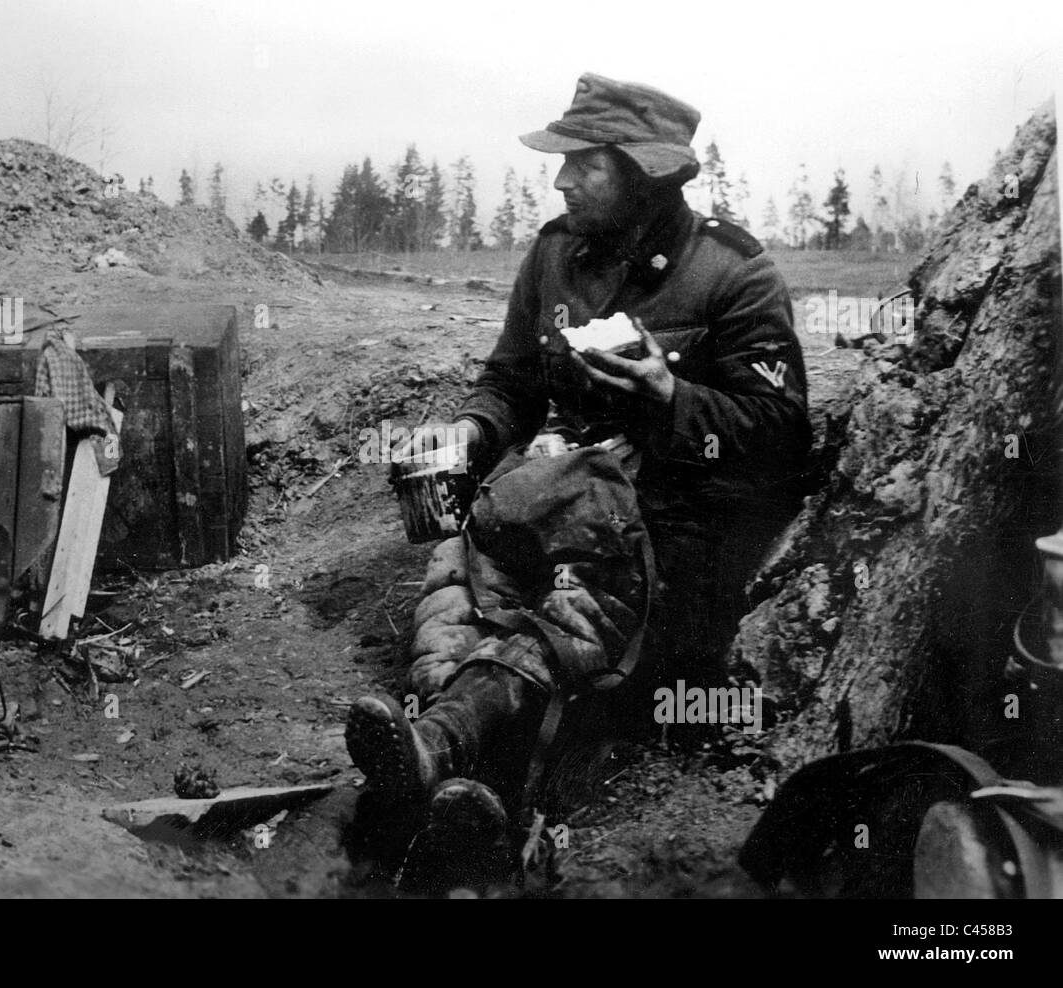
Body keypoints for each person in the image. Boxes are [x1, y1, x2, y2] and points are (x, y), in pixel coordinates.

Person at [347, 74, 813, 850]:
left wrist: (670, 400)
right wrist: (468, 434)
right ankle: (438, 739)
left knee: (570, 612)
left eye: (582, 164)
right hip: (554, 493)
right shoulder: (556, 255)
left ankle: (446, 751)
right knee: (458, 567)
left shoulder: (733, 272)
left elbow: (781, 437)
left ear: (643, 173)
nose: (560, 179)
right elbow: (512, 383)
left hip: (663, 527)